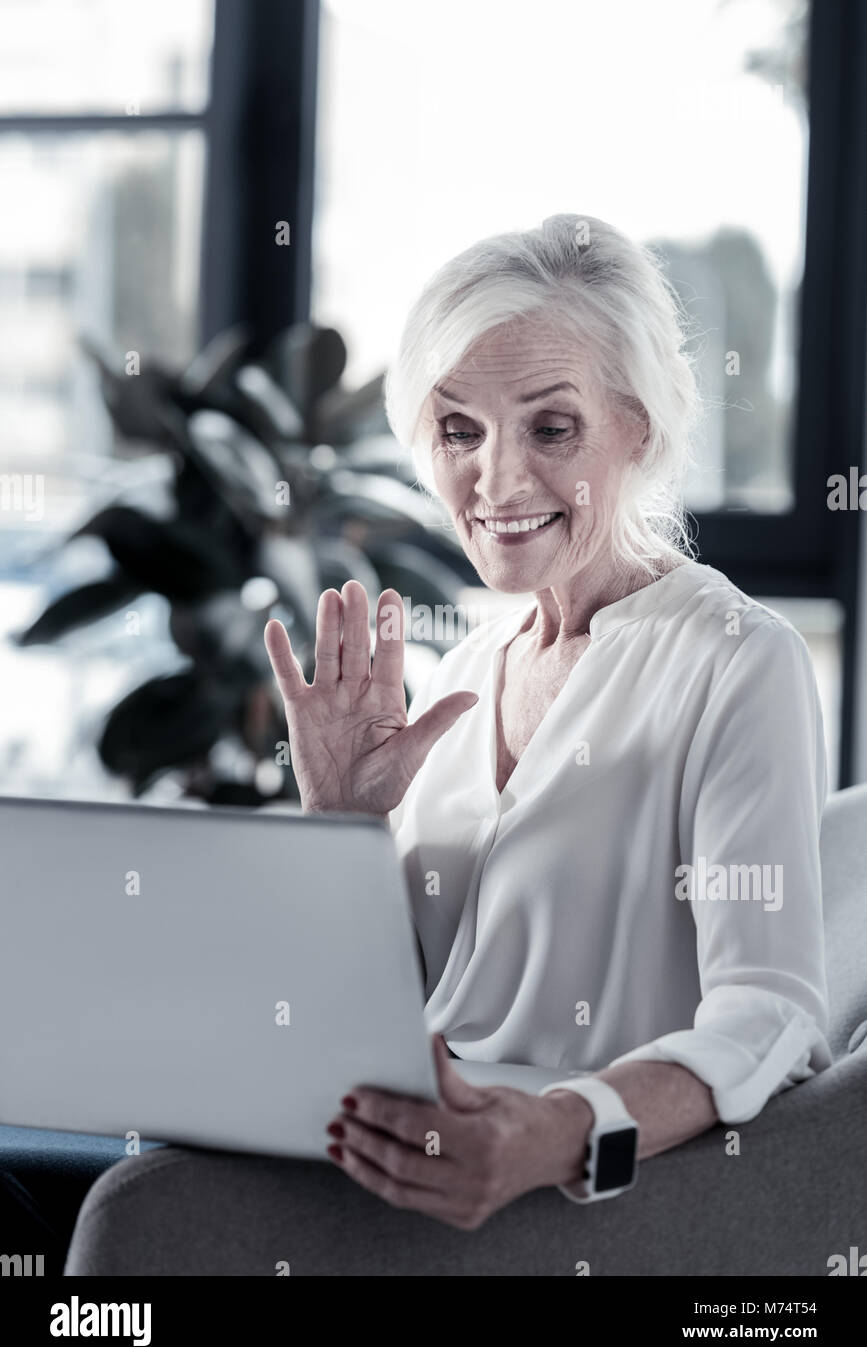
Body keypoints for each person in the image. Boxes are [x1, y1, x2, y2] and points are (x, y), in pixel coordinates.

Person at [263, 212, 831, 1231]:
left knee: (137, 1214)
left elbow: (772, 1016)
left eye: (550, 427)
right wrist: (342, 823)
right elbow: (375, 1019)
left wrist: (556, 1131)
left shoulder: (736, 661)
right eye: (457, 430)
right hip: (405, 1178)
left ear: (638, 427)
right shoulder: (463, 677)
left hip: (587, 1206)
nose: (499, 480)